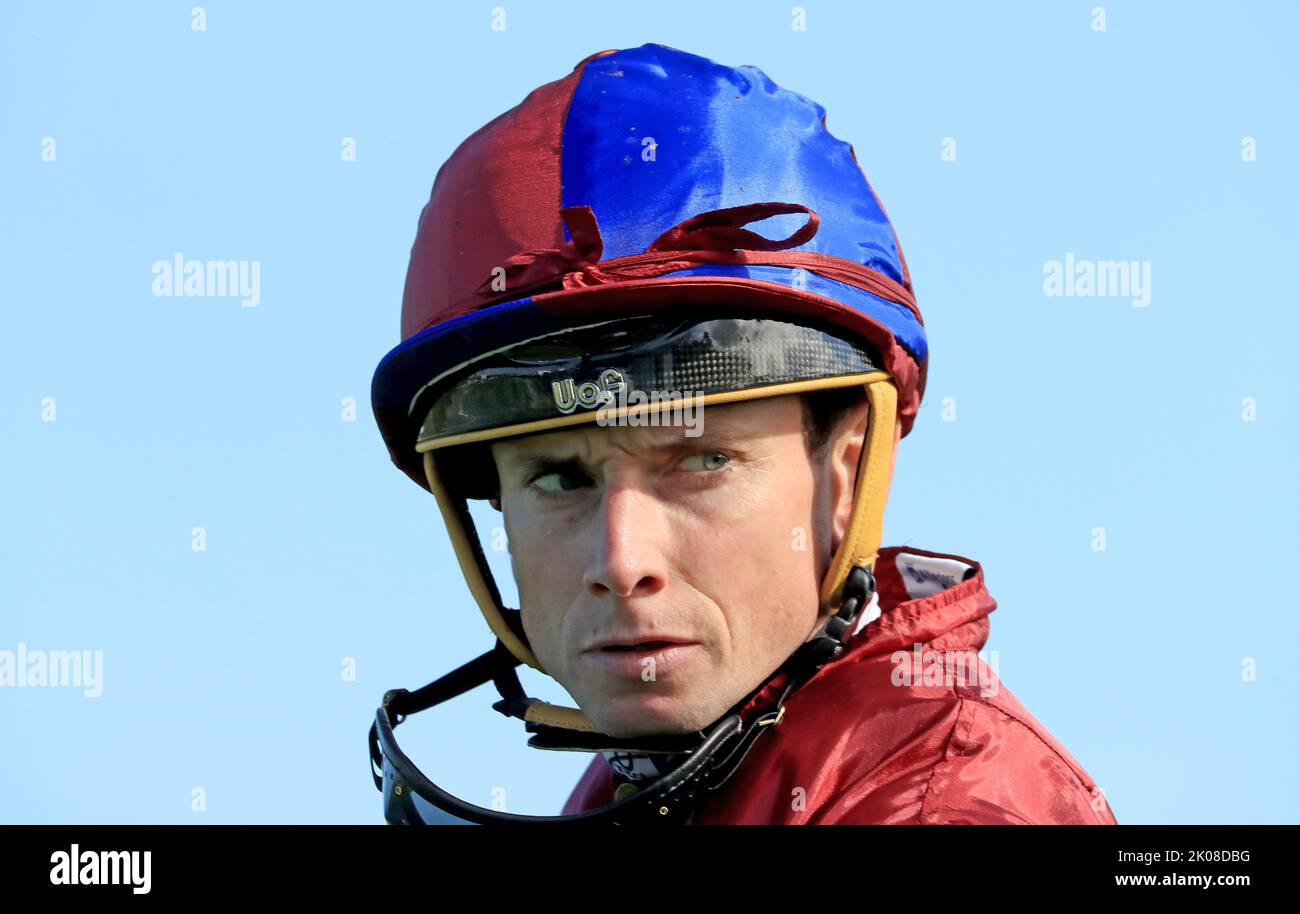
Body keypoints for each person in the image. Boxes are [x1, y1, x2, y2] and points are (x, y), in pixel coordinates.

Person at [368, 42, 1117, 825]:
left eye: (701, 461)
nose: (622, 565)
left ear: (845, 475)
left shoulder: (944, 810)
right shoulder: (656, 774)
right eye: (558, 478)